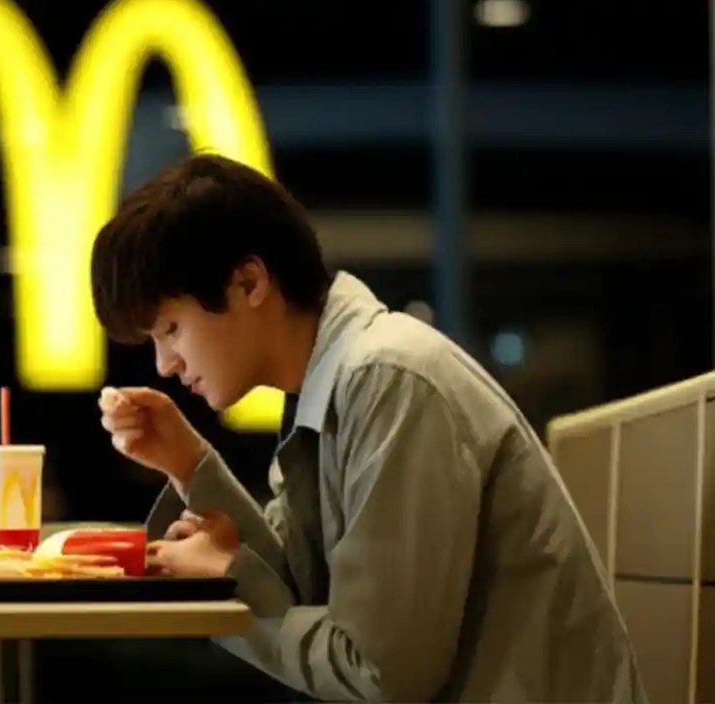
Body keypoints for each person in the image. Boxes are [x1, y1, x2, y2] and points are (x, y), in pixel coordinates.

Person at [91, 153, 647, 703]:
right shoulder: (332, 385)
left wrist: (226, 581)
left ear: (249, 282)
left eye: (171, 328)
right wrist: (191, 466)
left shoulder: (389, 380)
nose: (164, 364)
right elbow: (304, 591)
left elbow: (377, 672)